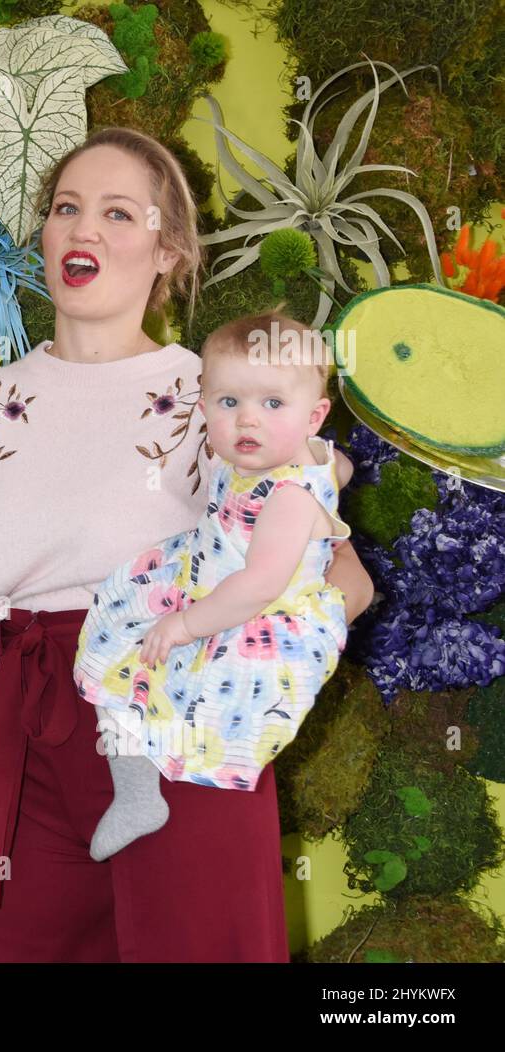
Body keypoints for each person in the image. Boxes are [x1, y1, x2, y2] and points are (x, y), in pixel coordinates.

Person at [0, 127, 374, 963]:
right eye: (66, 208)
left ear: (168, 250)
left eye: (118, 212)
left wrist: (246, 658)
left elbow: (343, 579)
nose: (84, 230)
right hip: (33, 725)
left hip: (181, 724)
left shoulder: (217, 396)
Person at [73, 309, 354, 861]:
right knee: (116, 640)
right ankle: (136, 792)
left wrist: (182, 625)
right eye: (230, 403)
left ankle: (144, 798)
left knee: (164, 686)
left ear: (314, 415)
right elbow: (336, 466)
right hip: (204, 576)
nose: (248, 421)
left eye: (273, 404)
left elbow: (258, 585)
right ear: (205, 406)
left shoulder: (289, 497)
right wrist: (333, 469)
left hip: (251, 617)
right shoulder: (285, 453)